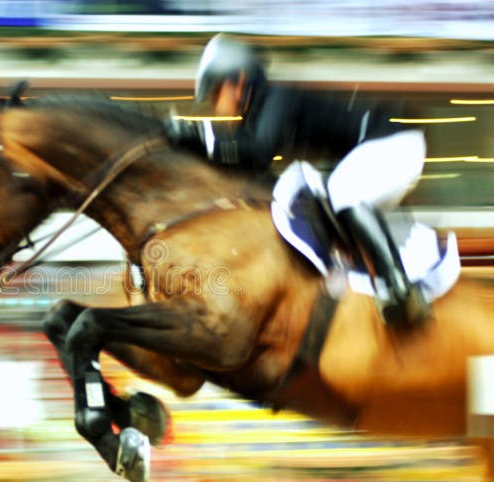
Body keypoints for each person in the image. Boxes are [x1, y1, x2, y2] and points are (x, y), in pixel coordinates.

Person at [166, 33, 430, 326]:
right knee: (321, 197)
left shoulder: (279, 99)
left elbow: (258, 152)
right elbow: (254, 166)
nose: (215, 104)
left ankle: (400, 289)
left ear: (238, 80)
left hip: (394, 141)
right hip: (381, 149)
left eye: (216, 92)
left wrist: (200, 136)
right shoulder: (261, 111)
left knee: (340, 190)